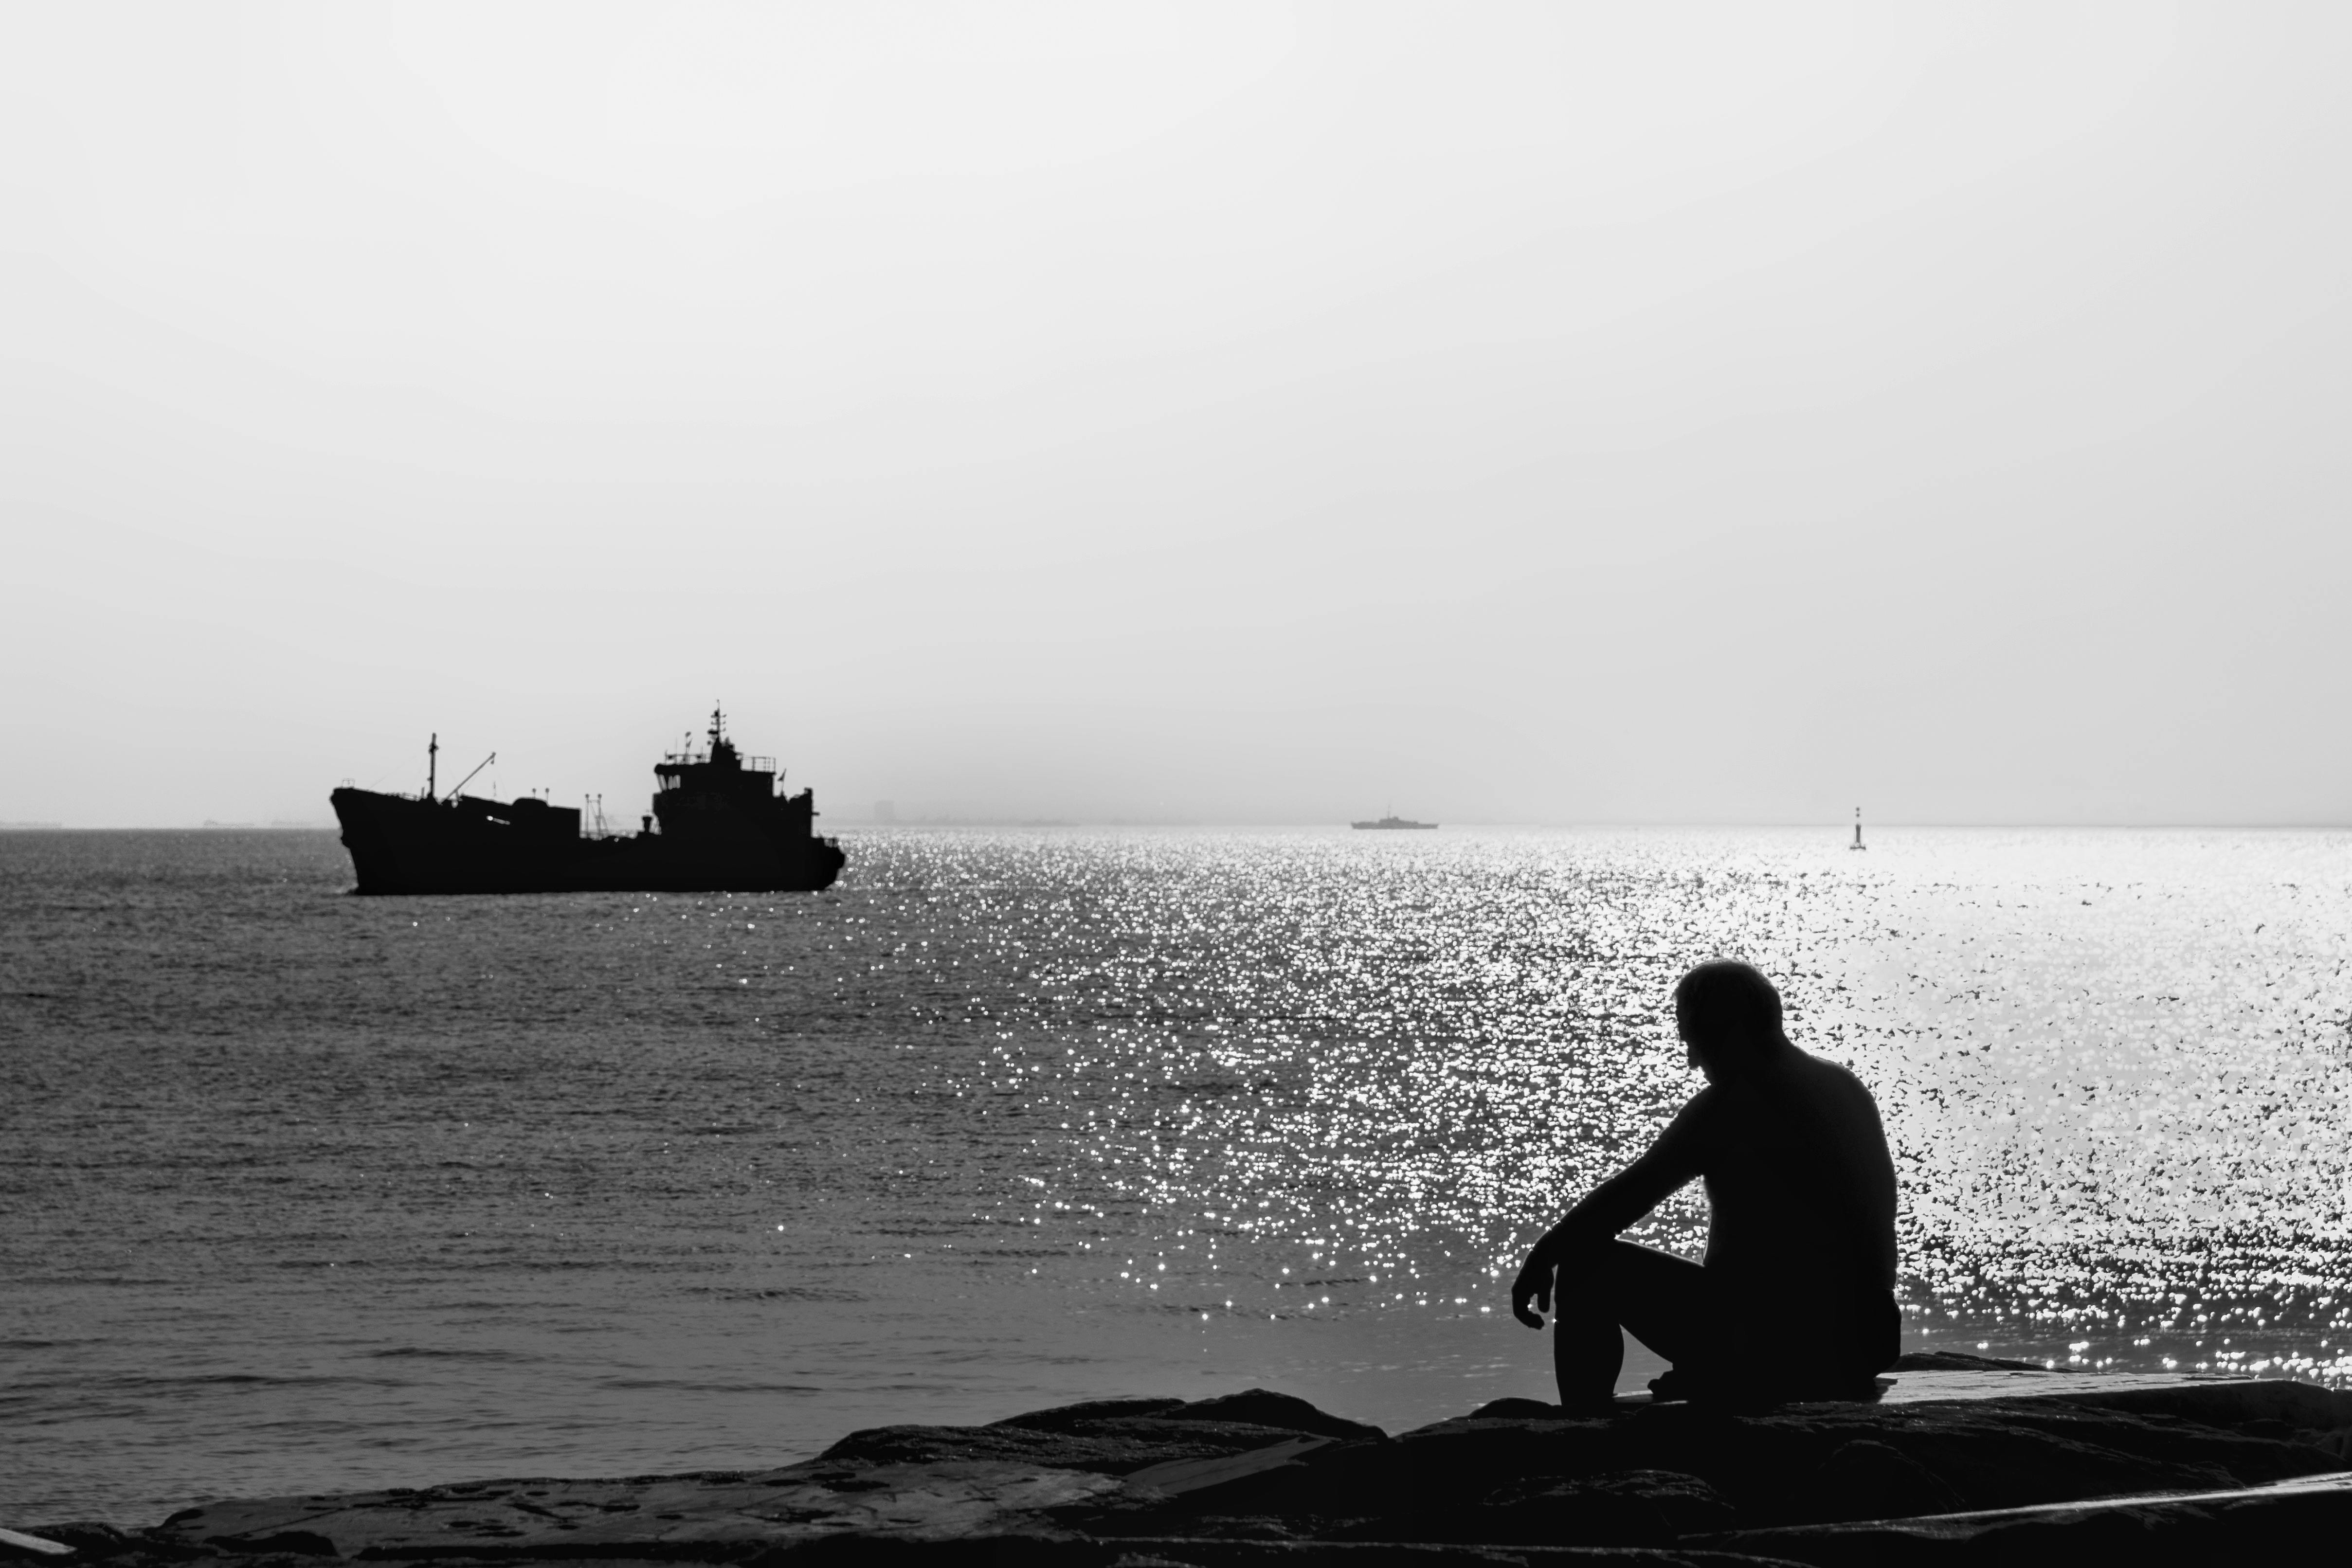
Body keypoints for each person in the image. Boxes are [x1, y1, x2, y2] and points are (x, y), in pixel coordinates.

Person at [1509, 959, 1899, 1411]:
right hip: (1865, 1343)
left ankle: (1586, 1428)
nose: (1693, 1060)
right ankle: (1722, 1371)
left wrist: (1543, 1255)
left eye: (1694, 1041)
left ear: (1730, 1031)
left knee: (1585, 1264)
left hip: (1787, 1347)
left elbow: (1630, 1195)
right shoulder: (1844, 1086)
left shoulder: (1734, 1104)